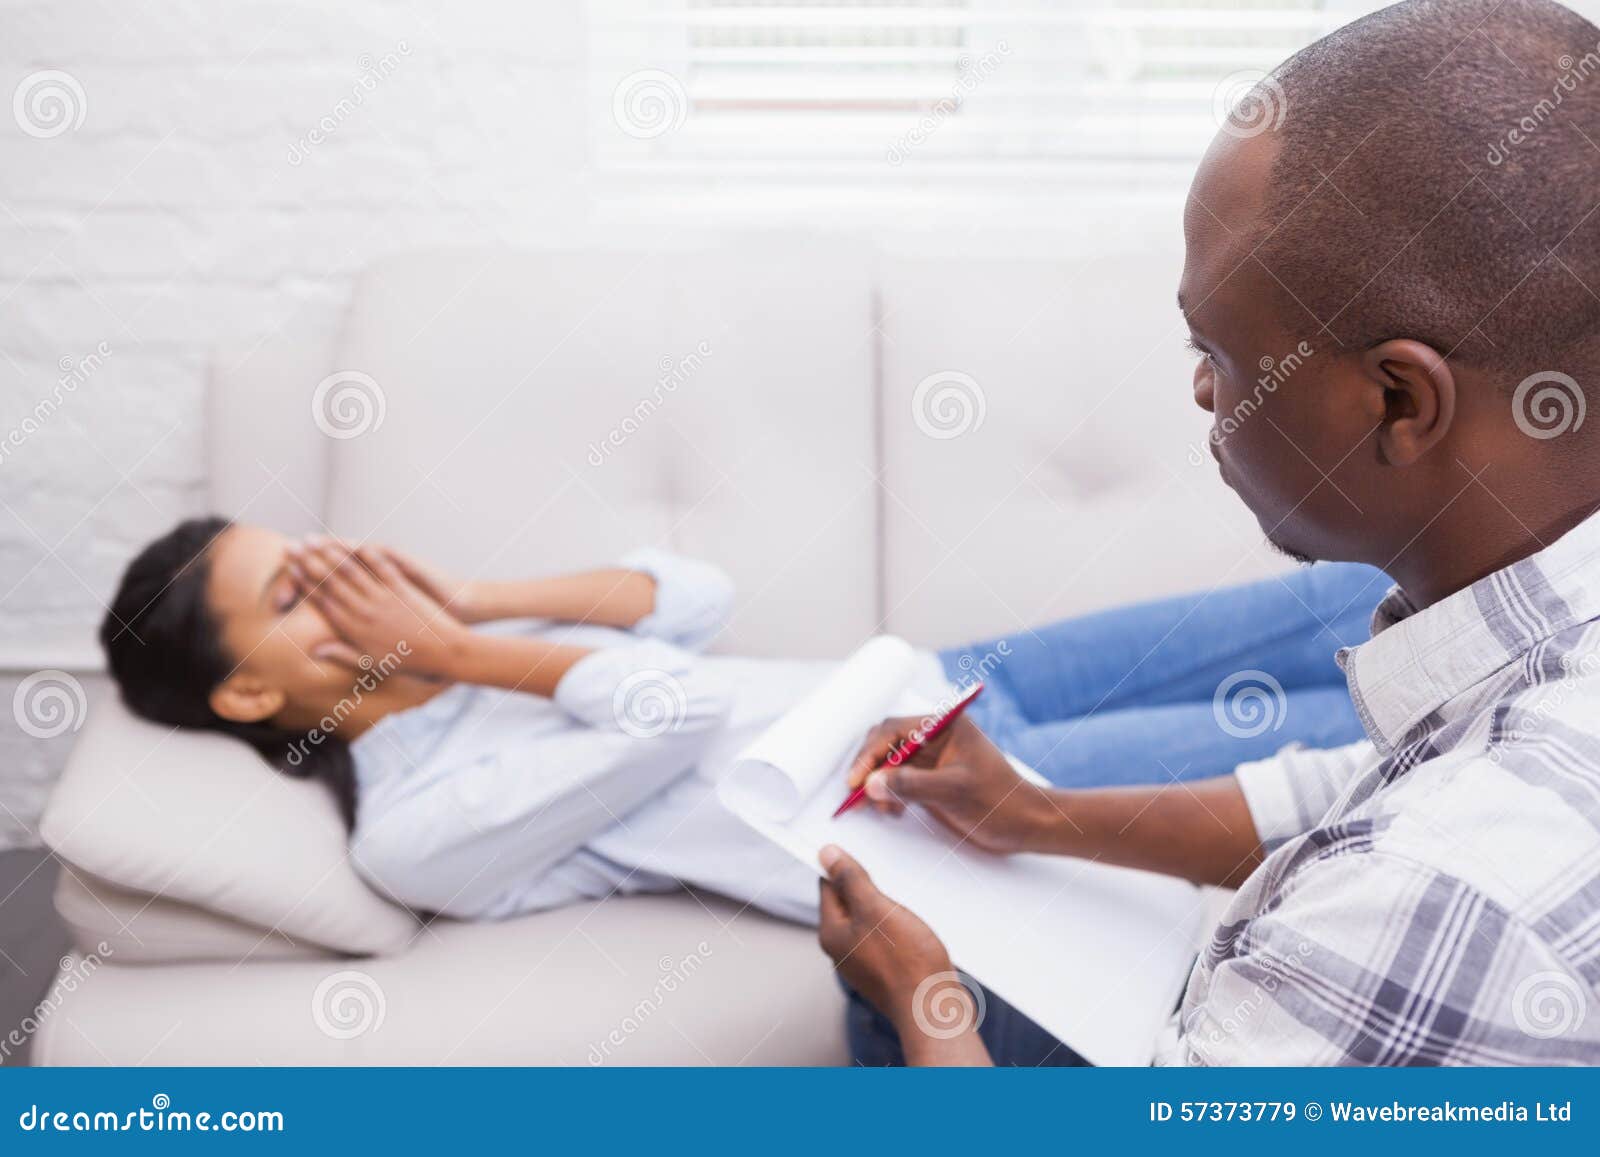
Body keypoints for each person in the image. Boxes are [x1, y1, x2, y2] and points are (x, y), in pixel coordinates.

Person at [818, 0, 1600, 1066]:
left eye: (1221, 352)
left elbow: (1419, 859)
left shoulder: (1436, 894)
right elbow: (1362, 779)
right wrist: (1033, 815)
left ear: (1397, 402)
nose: (1199, 389)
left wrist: (918, 992)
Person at [101, 516, 1381, 924]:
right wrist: (457, 648)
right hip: (940, 806)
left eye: (321, 556)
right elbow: (678, 706)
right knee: (1354, 734)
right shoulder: (415, 828)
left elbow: (694, 599)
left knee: (1342, 596)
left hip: (943, 677)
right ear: (251, 691)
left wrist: (470, 600)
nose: (340, 582)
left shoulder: (470, 640)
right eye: (294, 592)